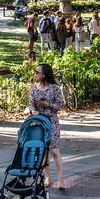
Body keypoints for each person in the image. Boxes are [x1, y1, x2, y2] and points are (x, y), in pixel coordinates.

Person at [28, 62, 65, 191]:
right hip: (39, 122)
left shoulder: (54, 88)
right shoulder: (34, 88)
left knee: (54, 150)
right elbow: (31, 104)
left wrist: (46, 104)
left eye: (37, 72)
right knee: (42, 151)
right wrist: (34, 112)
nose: (35, 74)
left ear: (44, 75)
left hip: (51, 122)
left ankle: (60, 180)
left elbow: (59, 106)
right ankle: (47, 177)